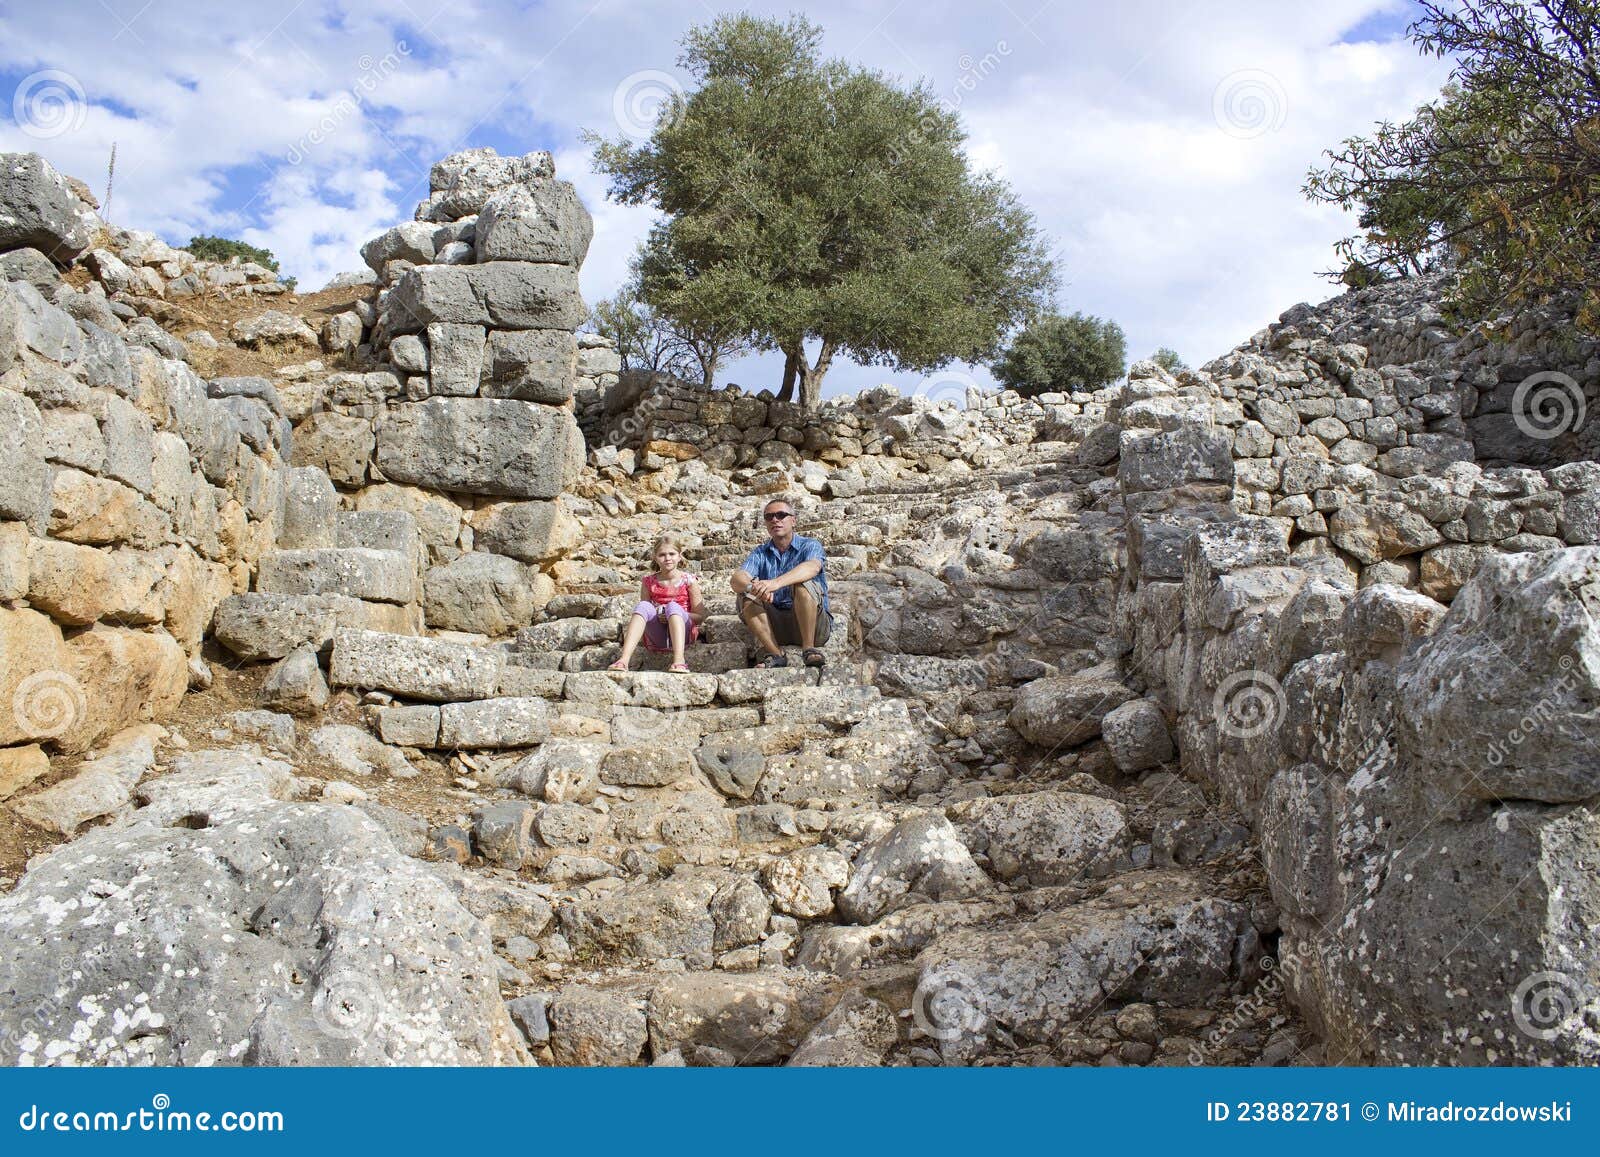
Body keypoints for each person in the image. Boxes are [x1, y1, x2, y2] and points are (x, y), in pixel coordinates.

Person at [731, 497, 832, 669]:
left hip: (815, 626)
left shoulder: (810, 545)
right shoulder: (760, 552)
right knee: (747, 595)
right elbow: (737, 578)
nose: (775, 520)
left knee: (803, 585)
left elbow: (812, 567)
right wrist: (754, 587)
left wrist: (775, 584)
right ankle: (776, 654)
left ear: (793, 520)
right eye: (769, 517)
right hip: (776, 626)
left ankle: (808, 649)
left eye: (781, 515)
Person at [610, 534, 704, 673]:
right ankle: (623, 660)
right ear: (655, 557)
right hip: (657, 636)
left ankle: (679, 661)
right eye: (662, 555)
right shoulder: (648, 581)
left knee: (673, 607)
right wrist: (659, 614)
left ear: (679, 556)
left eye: (672, 554)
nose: (667, 558)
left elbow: (700, 617)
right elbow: (645, 613)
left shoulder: (689, 580)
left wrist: (674, 613)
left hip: (684, 633)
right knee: (643, 606)